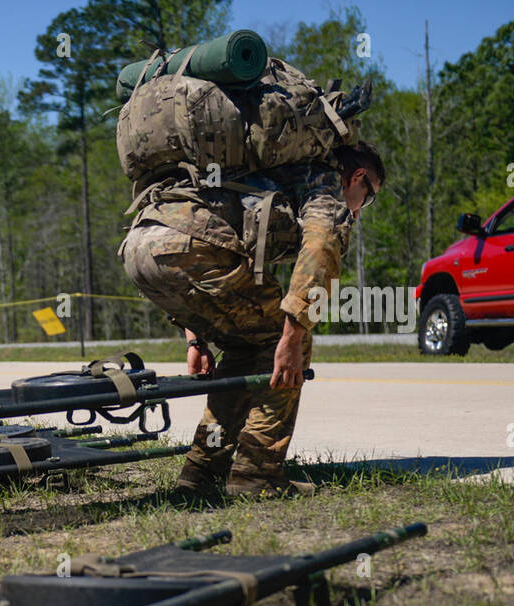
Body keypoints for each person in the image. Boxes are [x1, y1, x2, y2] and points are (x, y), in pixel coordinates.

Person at [121, 140, 384, 498]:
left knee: (248, 345)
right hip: (189, 246)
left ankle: (202, 470)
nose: (359, 211)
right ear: (357, 177)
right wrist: (292, 339)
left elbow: (198, 226)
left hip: (140, 243)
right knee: (288, 334)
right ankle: (257, 473)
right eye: (367, 198)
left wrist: (196, 339)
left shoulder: (264, 172)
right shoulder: (323, 185)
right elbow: (321, 251)